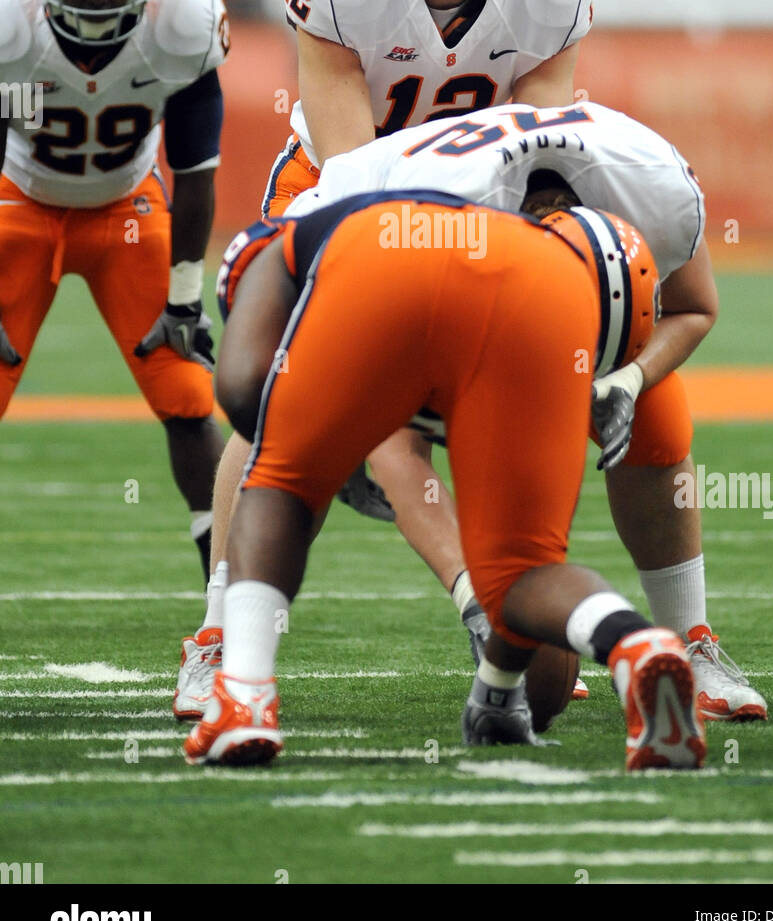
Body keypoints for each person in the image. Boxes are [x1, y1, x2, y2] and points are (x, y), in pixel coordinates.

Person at [174, 0, 596, 714]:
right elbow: (353, 164)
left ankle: (502, 604)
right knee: (270, 411)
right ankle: (216, 635)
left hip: (486, 199)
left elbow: (545, 153)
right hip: (332, 189)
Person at [266, 101, 770, 724]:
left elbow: (693, 307)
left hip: (486, 262)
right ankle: (232, 657)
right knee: (281, 449)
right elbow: (396, 443)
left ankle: (687, 643)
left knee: (658, 416)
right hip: (363, 262)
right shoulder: (408, 225)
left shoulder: (653, 184)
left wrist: (630, 377)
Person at [185, 190, 705, 772]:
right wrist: (500, 689)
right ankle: (635, 642)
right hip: (547, 281)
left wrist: (319, 450)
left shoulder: (275, 246)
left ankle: (244, 698)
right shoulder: (513, 202)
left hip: (385, 254)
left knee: (280, 473)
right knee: (524, 569)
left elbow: (239, 393)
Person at [0, 0, 227, 581]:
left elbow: (195, 172)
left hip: (128, 210)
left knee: (188, 397)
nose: (98, 3)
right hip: (18, 204)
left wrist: (186, 295)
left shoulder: (184, 22)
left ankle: (227, 614)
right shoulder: (10, 25)